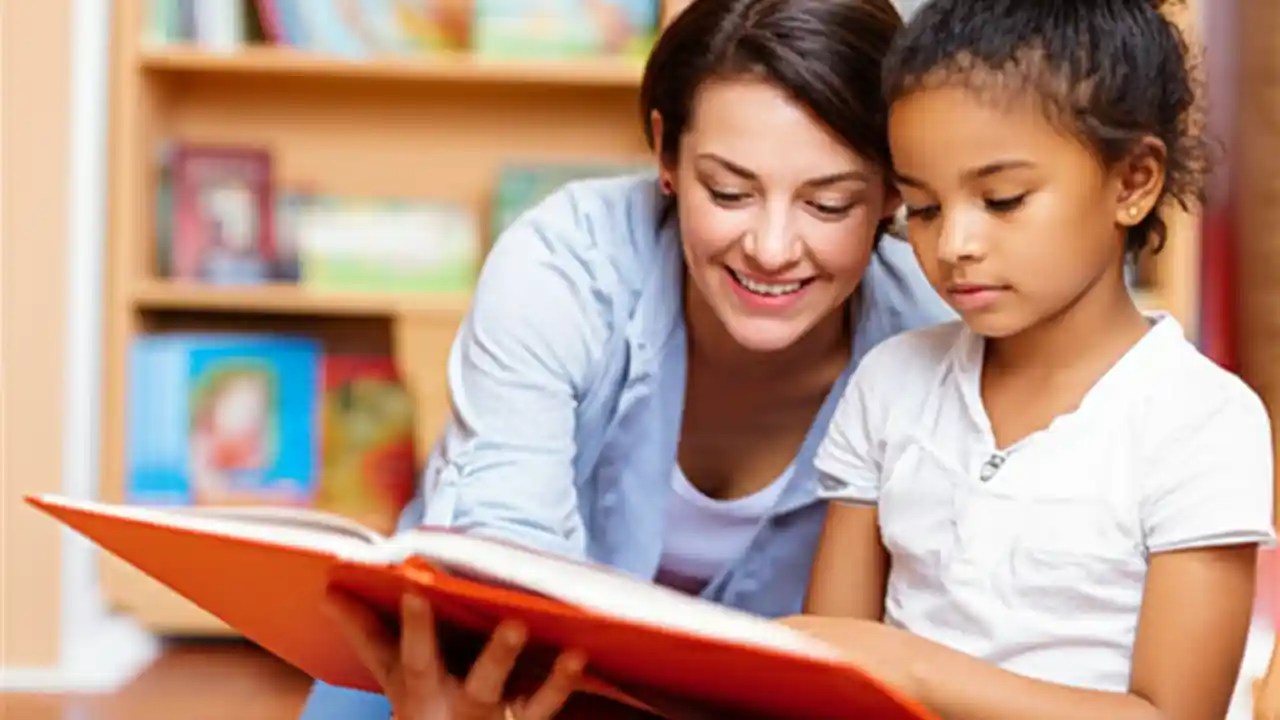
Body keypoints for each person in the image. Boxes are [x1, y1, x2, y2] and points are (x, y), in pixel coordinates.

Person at [298, 0, 953, 718]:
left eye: (828, 205)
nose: (770, 247)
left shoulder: (932, 337)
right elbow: (499, 569)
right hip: (463, 675)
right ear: (665, 153)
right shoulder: (563, 265)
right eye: (729, 192)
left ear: (895, 186)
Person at [785, 0, 1277, 718]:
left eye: (1002, 199)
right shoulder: (891, 385)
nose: (954, 243)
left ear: (1134, 181)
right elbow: (831, 677)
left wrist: (916, 670)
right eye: (922, 209)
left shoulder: (1202, 420)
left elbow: (1171, 715)